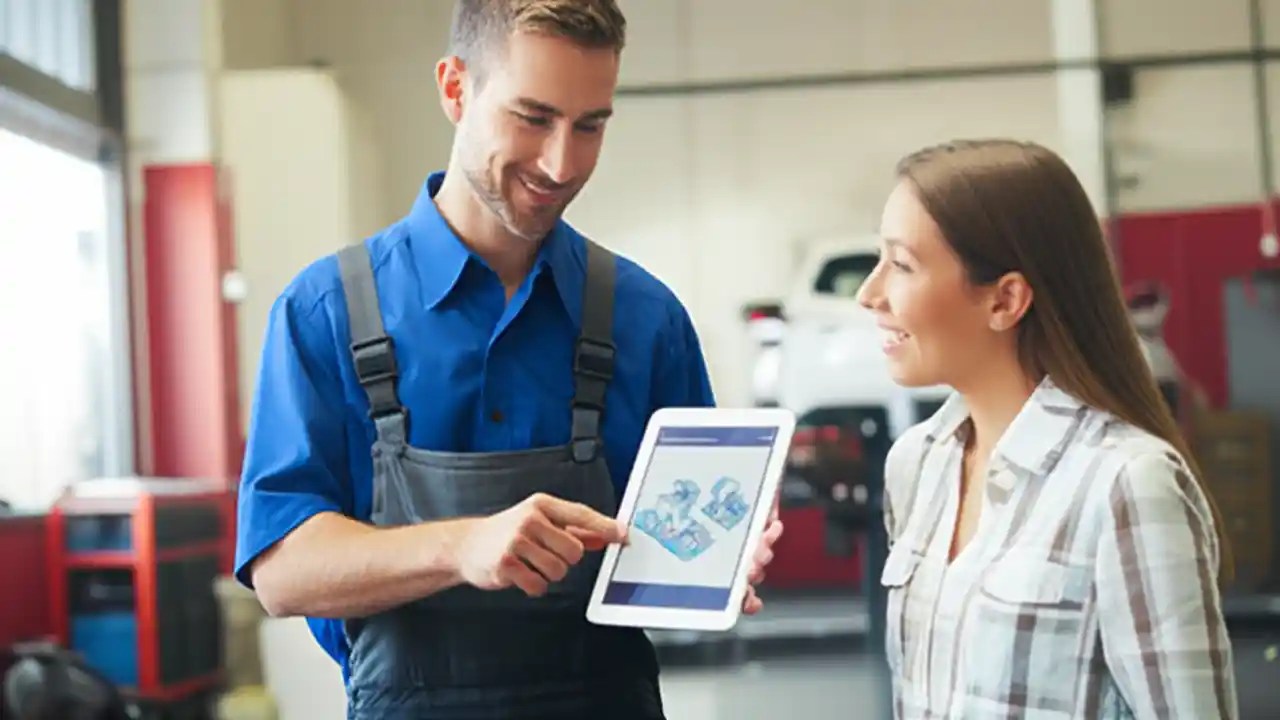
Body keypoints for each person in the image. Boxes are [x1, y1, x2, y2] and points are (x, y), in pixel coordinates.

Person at [232, 2, 782, 717]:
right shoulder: (326, 314)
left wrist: (720, 558)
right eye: (533, 117)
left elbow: (685, 548)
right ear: (455, 88)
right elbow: (282, 573)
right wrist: (463, 547)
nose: (563, 163)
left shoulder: (646, 320)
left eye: (591, 125)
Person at [856, 139, 1238, 719]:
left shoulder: (1126, 483)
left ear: (1005, 299)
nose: (869, 293)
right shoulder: (916, 464)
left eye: (902, 265)